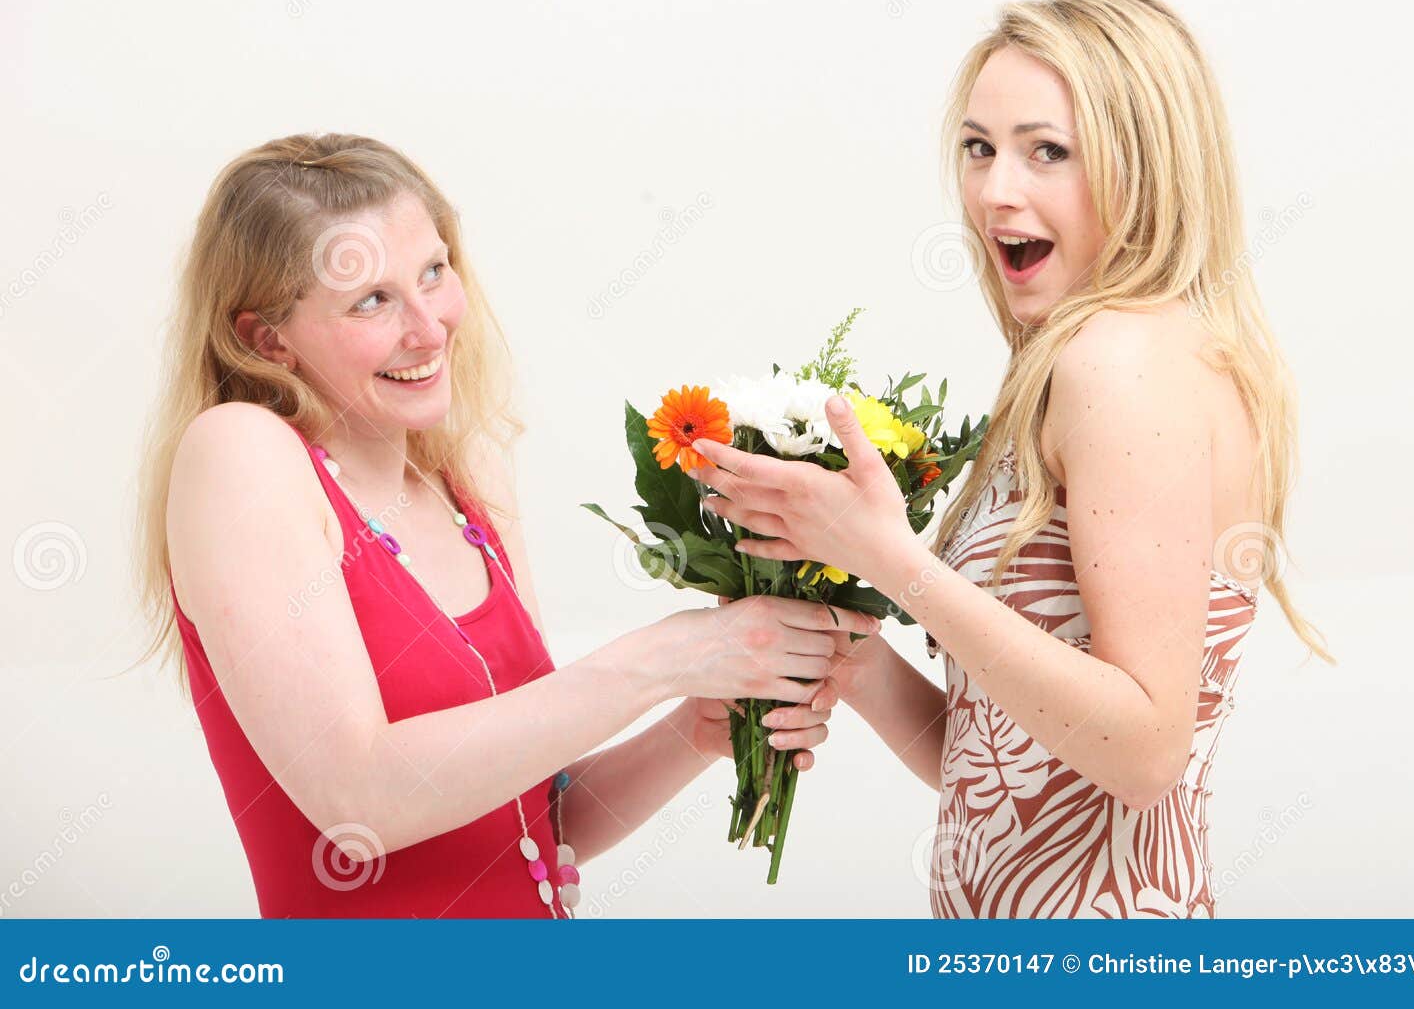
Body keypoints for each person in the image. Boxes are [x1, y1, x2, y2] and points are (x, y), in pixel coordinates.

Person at [688, 0, 1334, 918]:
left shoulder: (1120, 364)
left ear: (1146, 167)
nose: (996, 190)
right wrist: (852, 659)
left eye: (1049, 152)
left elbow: (1145, 753)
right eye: (980, 148)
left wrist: (888, 559)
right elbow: (1006, 771)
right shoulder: (1086, 357)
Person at [131, 133, 872, 917]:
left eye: (433, 271)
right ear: (266, 338)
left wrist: (693, 729)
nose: (429, 327)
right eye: (372, 300)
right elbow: (362, 799)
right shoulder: (241, 452)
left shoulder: (465, 477)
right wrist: (671, 654)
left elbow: (535, 822)